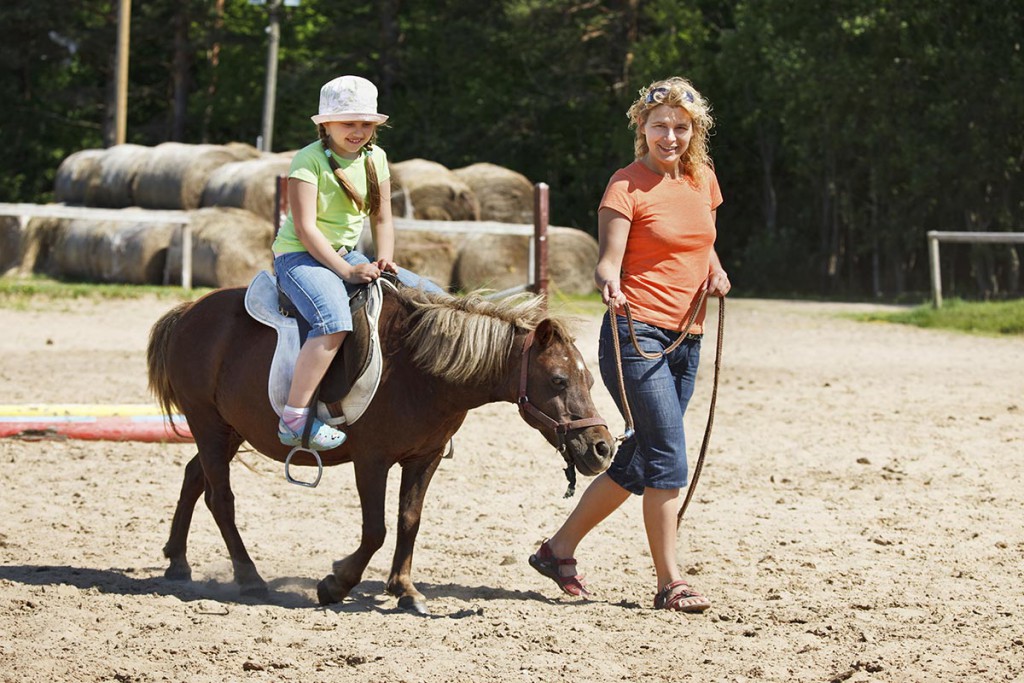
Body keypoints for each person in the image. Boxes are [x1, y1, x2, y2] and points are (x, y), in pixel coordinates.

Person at [529, 76, 731, 613]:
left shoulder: (702, 180)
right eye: (660, 126)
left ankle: (558, 550)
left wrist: (716, 272)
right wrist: (609, 283)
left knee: (642, 456)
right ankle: (671, 582)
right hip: (635, 336)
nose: (671, 136)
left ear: (695, 130)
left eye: (681, 127)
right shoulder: (626, 185)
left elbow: (702, 245)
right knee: (667, 455)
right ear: (642, 128)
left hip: (688, 337)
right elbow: (607, 261)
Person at [272, 75, 443, 450]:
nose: (358, 131)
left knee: (434, 298)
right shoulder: (308, 160)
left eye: (366, 124)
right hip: (299, 256)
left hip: (349, 253)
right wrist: (347, 270)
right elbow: (304, 228)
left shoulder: (376, 159)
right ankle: (295, 417)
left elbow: (382, 217)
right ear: (325, 125)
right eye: (349, 123)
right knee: (332, 321)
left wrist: (384, 257)